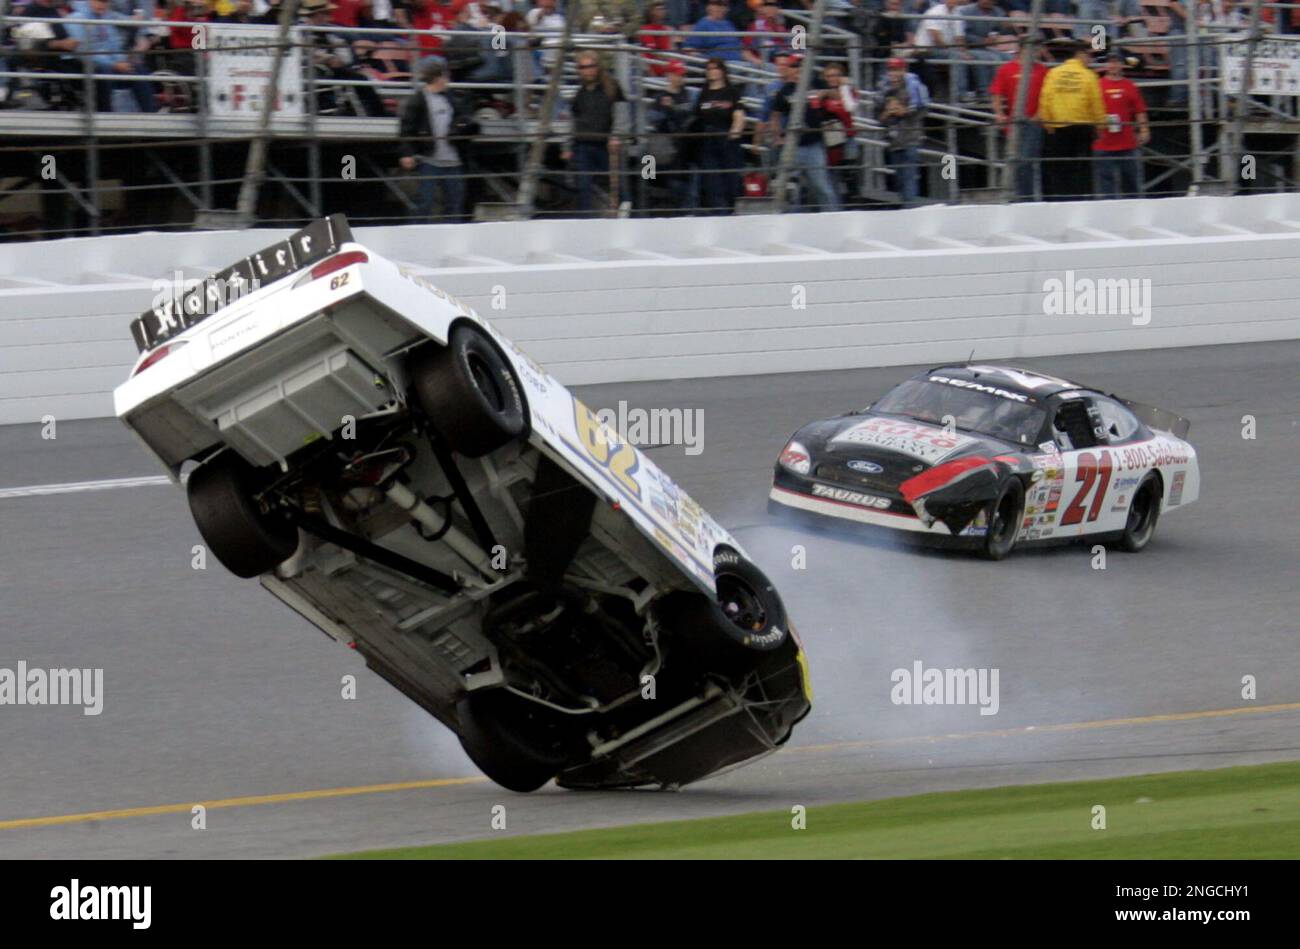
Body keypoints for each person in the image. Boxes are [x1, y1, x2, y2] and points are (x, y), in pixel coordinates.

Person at [399, 58, 476, 221]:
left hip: (453, 160)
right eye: (445, 76)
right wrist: (407, 153)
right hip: (429, 159)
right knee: (424, 203)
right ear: (438, 78)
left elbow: (464, 119)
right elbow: (407, 128)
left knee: (454, 204)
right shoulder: (418, 100)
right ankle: (416, 234)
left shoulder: (452, 99)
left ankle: (453, 238)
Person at [562, 49, 628, 214]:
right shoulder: (579, 94)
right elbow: (572, 122)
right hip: (582, 144)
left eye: (591, 66)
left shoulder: (612, 88)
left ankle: (626, 210)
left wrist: (616, 136)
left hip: (606, 144)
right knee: (583, 185)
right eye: (583, 67)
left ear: (598, 67)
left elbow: (621, 114)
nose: (588, 70)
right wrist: (567, 147)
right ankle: (586, 219)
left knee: (617, 183)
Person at [1038, 38, 1104, 201]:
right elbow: (1096, 102)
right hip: (1083, 125)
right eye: (1089, 55)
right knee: (1083, 166)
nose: (1090, 59)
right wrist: (1101, 125)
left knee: (1061, 166)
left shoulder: (1054, 73)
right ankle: (1083, 198)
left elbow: (1045, 100)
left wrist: (1048, 123)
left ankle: (1061, 198)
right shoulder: (1089, 75)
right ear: (1080, 54)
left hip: (1058, 126)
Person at [769, 69, 843, 211]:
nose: (798, 74)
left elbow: (838, 96)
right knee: (791, 188)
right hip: (793, 146)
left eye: (801, 70)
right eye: (795, 71)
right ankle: (791, 219)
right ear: (791, 73)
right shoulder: (786, 90)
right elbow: (775, 115)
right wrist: (777, 137)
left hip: (814, 144)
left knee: (822, 187)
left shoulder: (816, 83)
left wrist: (825, 93)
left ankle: (832, 216)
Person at [68, 0, 158, 112]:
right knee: (103, 73)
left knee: (137, 68)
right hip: (87, 65)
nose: (102, 5)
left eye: (105, 2)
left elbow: (113, 44)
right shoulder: (77, 18)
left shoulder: (106, 16)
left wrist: (122, 61)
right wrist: (114, 64)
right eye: (99, 1)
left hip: (109, 64)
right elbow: (83, 52)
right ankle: (105, 114)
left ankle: (150, 112)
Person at [301, 0, 386, 115]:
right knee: (358, 79)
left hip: (336, 68)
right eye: (327, 14)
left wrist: (339, 58)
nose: (330, 18)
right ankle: (378, 114)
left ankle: (377, 113)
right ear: (317, 15)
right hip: (316, 70)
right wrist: (326, 59)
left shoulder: (331, 31)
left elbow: (346, 53)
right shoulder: (300, 32)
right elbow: (301, 57)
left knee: (360, 78)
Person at [989, 35, 1047, 200]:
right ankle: (1019, 196)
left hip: (1033, 123)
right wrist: (999, 113)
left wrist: (1039, 114)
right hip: (1013, 123)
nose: (1037, 52)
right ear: (1023, 49)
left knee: (1026, 160)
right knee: (1016, 161)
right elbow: (997, 94)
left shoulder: (1042, 70)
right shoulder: (1006, 69)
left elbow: (1048, 96)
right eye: (1034, 48)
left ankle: (1025, 197)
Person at [690, 56, 745, 212]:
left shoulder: (732, 92)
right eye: (709, 69)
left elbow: (739, 115)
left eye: (715, 68)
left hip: (726, 138)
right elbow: (697, 117)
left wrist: (733, 134)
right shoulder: (703, 94)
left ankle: (733, 210)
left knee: (731, 179)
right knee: (713, 181)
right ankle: (719, 211)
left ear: (722, 71)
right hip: (707, 140)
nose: (711, 72)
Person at [1093, 51, 1148, 198]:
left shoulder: (1130, 86)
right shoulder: (1097, 86)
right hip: (1103, 142)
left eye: (1116, 62)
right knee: (1106, 186)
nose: (1113, 65)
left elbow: (1139, 110)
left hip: (1127, 143)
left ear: (1122, 65)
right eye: (1110, 62)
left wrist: (1144, 129)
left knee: (1131, 184)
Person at [645, 59, 698, 209]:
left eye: (682, 75)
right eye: (677, 74)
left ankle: (689, 212)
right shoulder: (660, 97)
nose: (680, 78)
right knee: (652, 171)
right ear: (669, 75)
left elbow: (692, 117)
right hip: (667, 148)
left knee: (690, 189)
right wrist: (665, 110)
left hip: (687, 147)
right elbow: (653, 120)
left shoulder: (689, 94)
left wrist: (673, 109)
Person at [876, 56, 930, 204]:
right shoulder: (883, 88)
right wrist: (888, 112)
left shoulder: (914, 86)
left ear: (904, 70)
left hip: (910, 138)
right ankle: (906, 208)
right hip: (893, 140)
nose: (894, 73)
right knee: (899, 180)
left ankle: (910, 210)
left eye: (897, 69)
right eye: (891, 69)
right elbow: (878, 116)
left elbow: (923, 110)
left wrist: (904, 111)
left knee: (909, 178)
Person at [912, 0, 970, 100]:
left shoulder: (957, 13)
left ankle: (982, 93)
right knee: (956, 56)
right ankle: (960, 94)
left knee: (977, 56)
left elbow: (959, 38)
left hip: (946, 50)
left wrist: (963, 52)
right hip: (926, 50)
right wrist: (956, 52)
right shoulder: (934, 12)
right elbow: (936, 39)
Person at [957, 0, 1008, 100]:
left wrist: (995, 36)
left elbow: (998, 30)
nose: (988, 1)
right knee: (992, 58)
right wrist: (981, 40)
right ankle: (986, 92)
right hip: (968, 47)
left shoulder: (998, 12)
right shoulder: (966, 11)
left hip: (988, 47)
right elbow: (961, 34)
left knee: (1008, 58)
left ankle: (1004, 91)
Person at [684, 0, 743, 64]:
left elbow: (741, 48)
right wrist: (708, 60)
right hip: (721, 64)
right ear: (709, 7)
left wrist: (755, 62)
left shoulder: (729, 24)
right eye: (718, 5)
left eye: (724, 5)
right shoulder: (703, 24)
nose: (721, 8)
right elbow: (689, 49)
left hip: (740, 62)